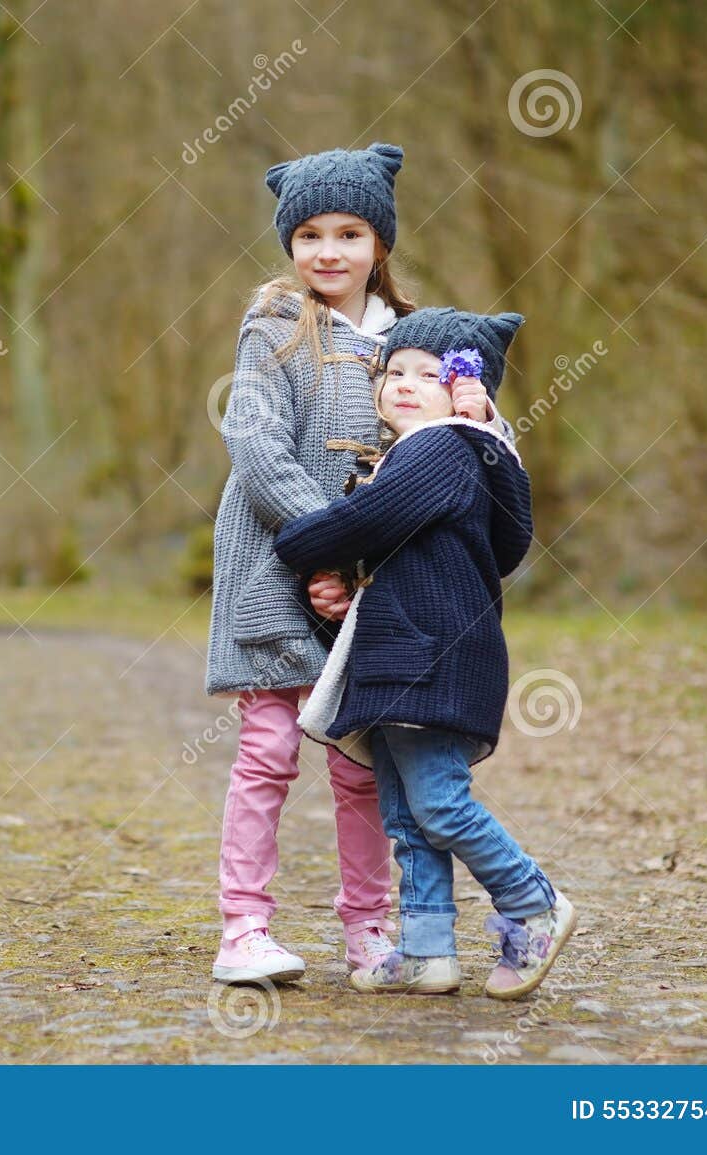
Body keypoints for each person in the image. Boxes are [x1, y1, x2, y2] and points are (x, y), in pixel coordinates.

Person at [274, 307, 576, 999]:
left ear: (465, 392)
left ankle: (534, 901)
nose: (405, 384)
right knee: (407, 818)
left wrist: (298, 543)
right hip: (400, 659)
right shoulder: (412, 456)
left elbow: (368, 522)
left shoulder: (443, 447)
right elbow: (394, 550)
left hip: (434, 657)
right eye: (395, 371)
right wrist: (345, 588)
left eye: (429, 375)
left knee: (439, 804)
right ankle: (427, 950)